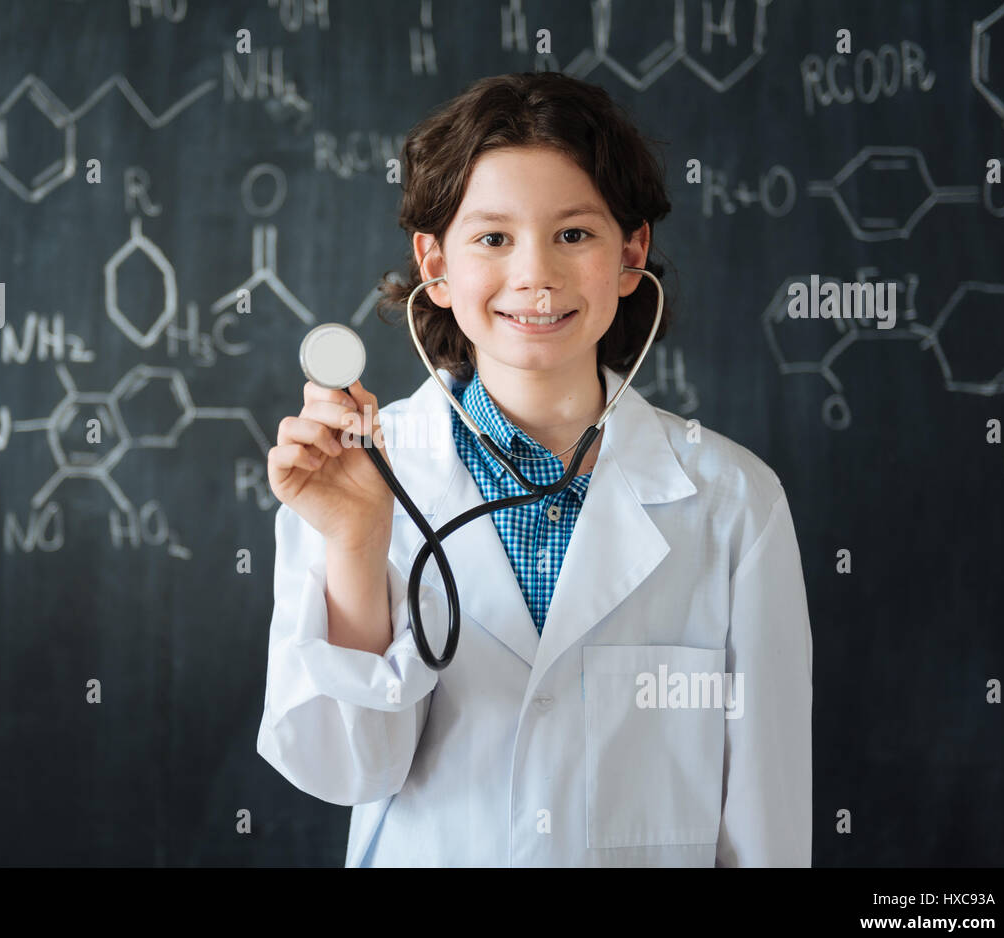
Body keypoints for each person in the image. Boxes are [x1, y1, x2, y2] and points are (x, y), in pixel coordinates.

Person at [258, 72, 813, 867]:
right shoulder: (354, 473)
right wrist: (355, 541)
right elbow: (347, 769)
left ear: (632, 254)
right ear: (435, 266)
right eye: (492, 238)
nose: (536, 275)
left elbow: (768, 822)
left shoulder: (734, 504)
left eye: (575, 234)